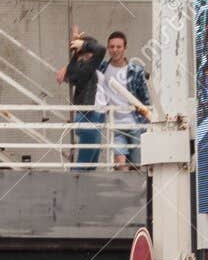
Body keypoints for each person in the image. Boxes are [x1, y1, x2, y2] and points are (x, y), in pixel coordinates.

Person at [97, 30, 149, 170]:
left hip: (135, 124)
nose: (115, 50)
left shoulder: (136, 70)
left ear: (125, 48)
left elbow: (145, 99)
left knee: (138, 166)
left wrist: (146, 125)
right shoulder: (102, 68)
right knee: (121, 164)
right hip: (114, 125)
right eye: (112, 47)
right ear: (108, 48)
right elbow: (86, 62)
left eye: (118, 47)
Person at [56, 28, 106, 169]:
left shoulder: (88, 67)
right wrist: (82, 45)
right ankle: (73, 188)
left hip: (96, 117)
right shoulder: (84, 68)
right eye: (90, 51)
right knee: (83, 165)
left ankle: (82, 189)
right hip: (89, 117)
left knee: (91, 164)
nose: (93, 53)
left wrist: (79, 44)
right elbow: (101, 49)